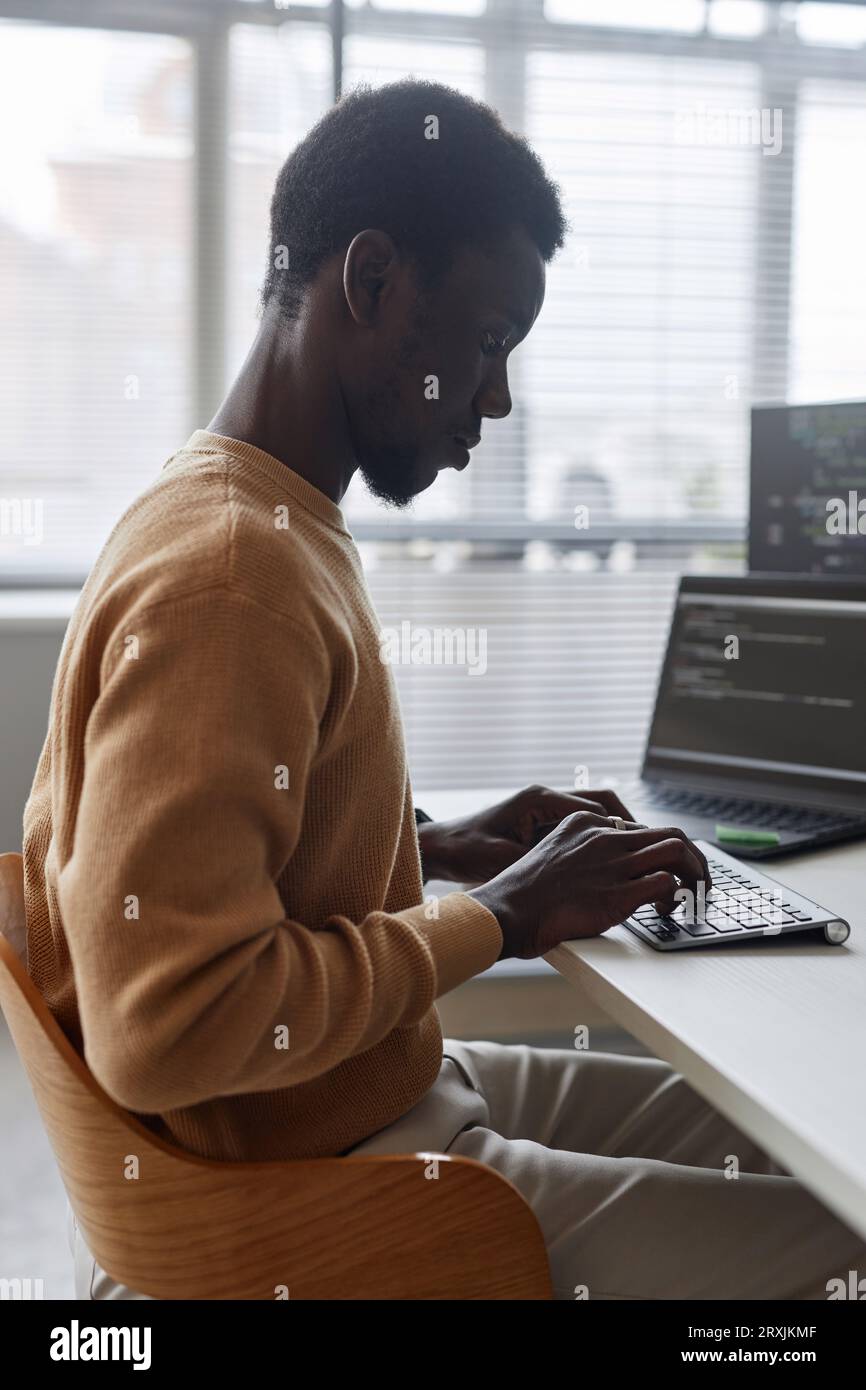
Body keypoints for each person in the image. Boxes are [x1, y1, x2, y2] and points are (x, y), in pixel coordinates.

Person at [25, 80, 865, 1301]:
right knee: (847, 1247)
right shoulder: (231, 576)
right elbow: (169, 1023)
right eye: (485, 342)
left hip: (372, 1094)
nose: (497, 399)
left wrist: (441, 848)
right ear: (369, 286)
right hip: (333, 1185)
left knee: (802, 1155)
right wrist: (505, 914)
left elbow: (232, 860)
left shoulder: (241, 513)